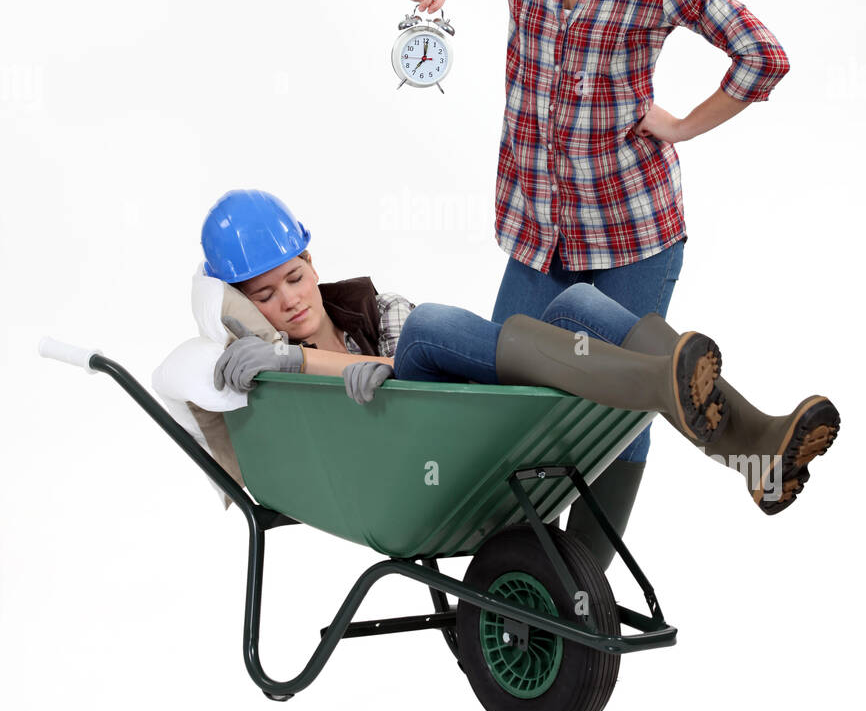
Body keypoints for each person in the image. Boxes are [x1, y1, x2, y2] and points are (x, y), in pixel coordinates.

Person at [368, 0, 792, 551]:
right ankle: (523, 560)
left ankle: (588, 570)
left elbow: (764, 57)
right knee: (513, 397)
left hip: (634, 229)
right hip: (538, 233)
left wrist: (687, 126)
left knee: (623, 407)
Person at [172, 191, 839, 571]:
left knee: (578, 303)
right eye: (264, 295)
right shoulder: (266, 369)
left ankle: (755, 446)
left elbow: (389, 365)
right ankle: (662, 383)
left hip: (470, 426)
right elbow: (374, 381)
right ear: (241, 304)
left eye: (295, 276)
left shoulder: (369, 310)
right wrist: (294, 360)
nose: (289, 300)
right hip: (421, 460)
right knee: (433, 324)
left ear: (312, 263)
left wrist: (327, 360)